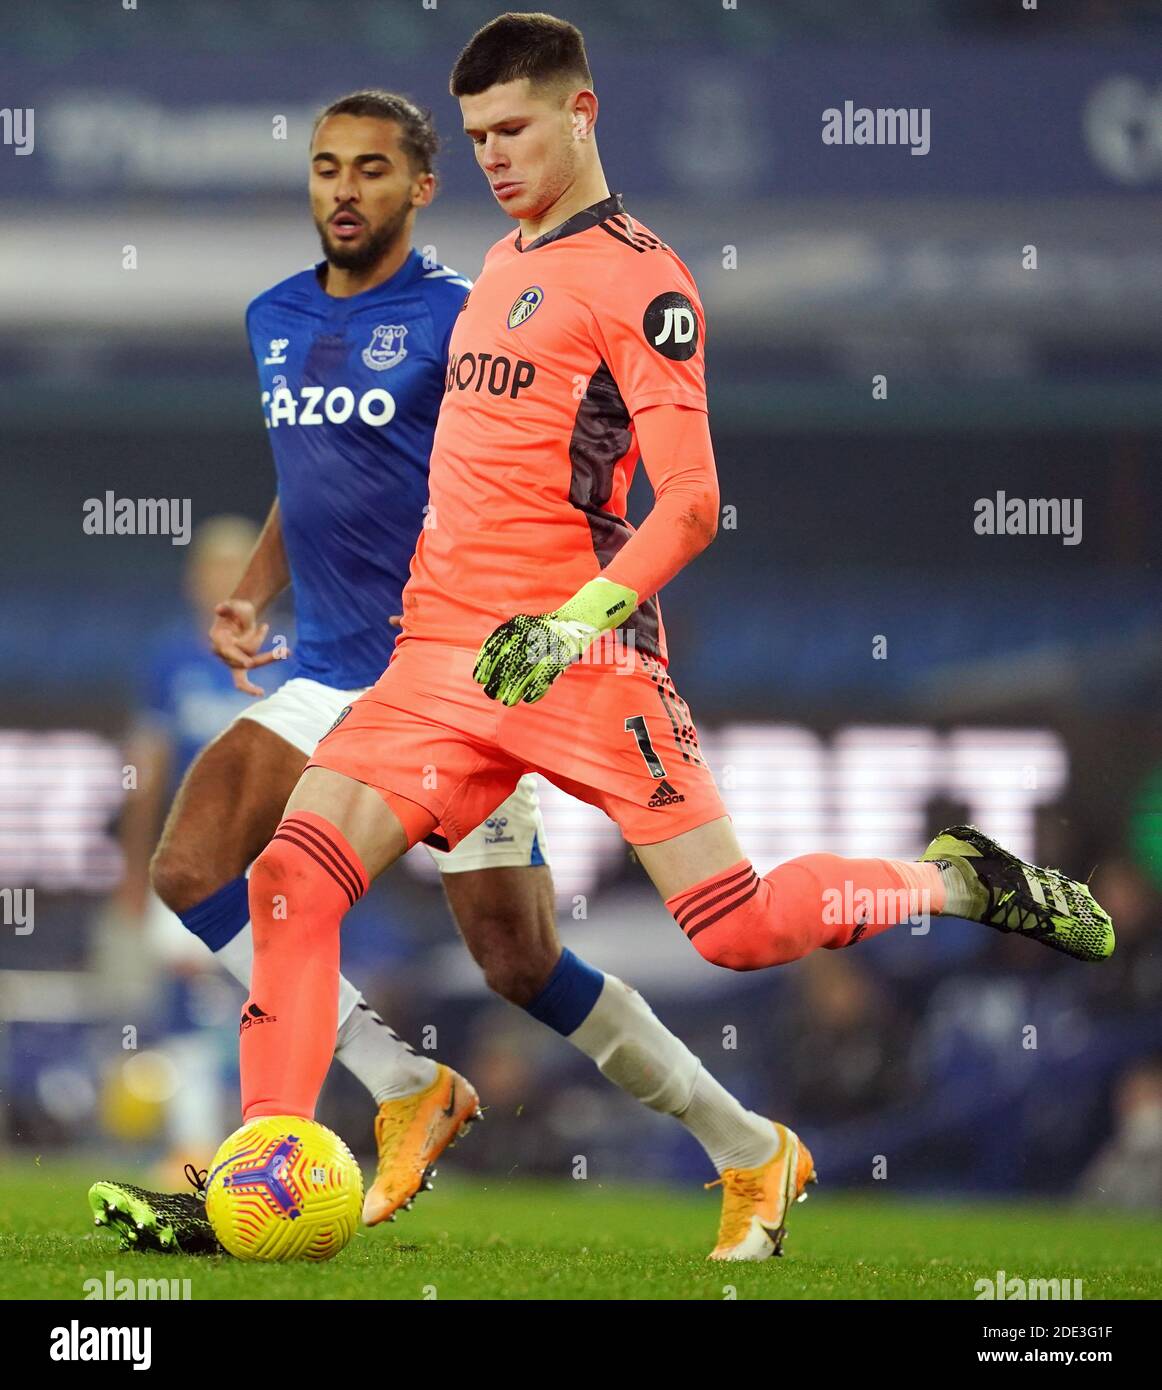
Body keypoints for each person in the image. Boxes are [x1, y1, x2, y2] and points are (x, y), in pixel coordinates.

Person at [236, 12, 1114, 1256]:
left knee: (738, 926)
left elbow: (691, 499)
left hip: (586, 661)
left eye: (514, 129)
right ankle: (255, 1172)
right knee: (288, 875)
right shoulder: (494, 264)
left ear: (581, 114)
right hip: (441, 662)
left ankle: (956, 878)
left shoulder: (643, 278)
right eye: (477, 135)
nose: (493, 157)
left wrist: (570, 624)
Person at [89, 85, 805, 1264]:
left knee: (519, 959)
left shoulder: (470, 315)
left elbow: (542, 469)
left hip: (457, 675)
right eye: (327, 167)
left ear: (422, 188)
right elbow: (311, 471)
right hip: (334, 675)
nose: (345, 190)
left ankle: (739, 1140)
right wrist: (255, 587)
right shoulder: (271, 315)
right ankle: (383, 1086)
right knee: (195, 860)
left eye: (373, 169)